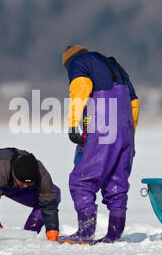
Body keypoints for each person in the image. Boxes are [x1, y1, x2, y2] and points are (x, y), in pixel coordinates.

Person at [58, 45, 139, 244]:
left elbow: (81, 88)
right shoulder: (115, 65)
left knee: (82, 180)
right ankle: (114, 235)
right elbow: (134, 103)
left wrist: (72, 123)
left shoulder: (78, 62)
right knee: (117, 183)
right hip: (125, 131)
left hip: (103, 127)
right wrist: (129, 134)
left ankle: (85, 233)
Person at [0, 147, 60, 241]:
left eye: (29, 183)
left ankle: (31, 232)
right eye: (23, 182)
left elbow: (49, 204)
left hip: (14, 182)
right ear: (14, 175)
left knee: (54, 193)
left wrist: (52, 230)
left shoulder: (41, 173)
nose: (26, 186)